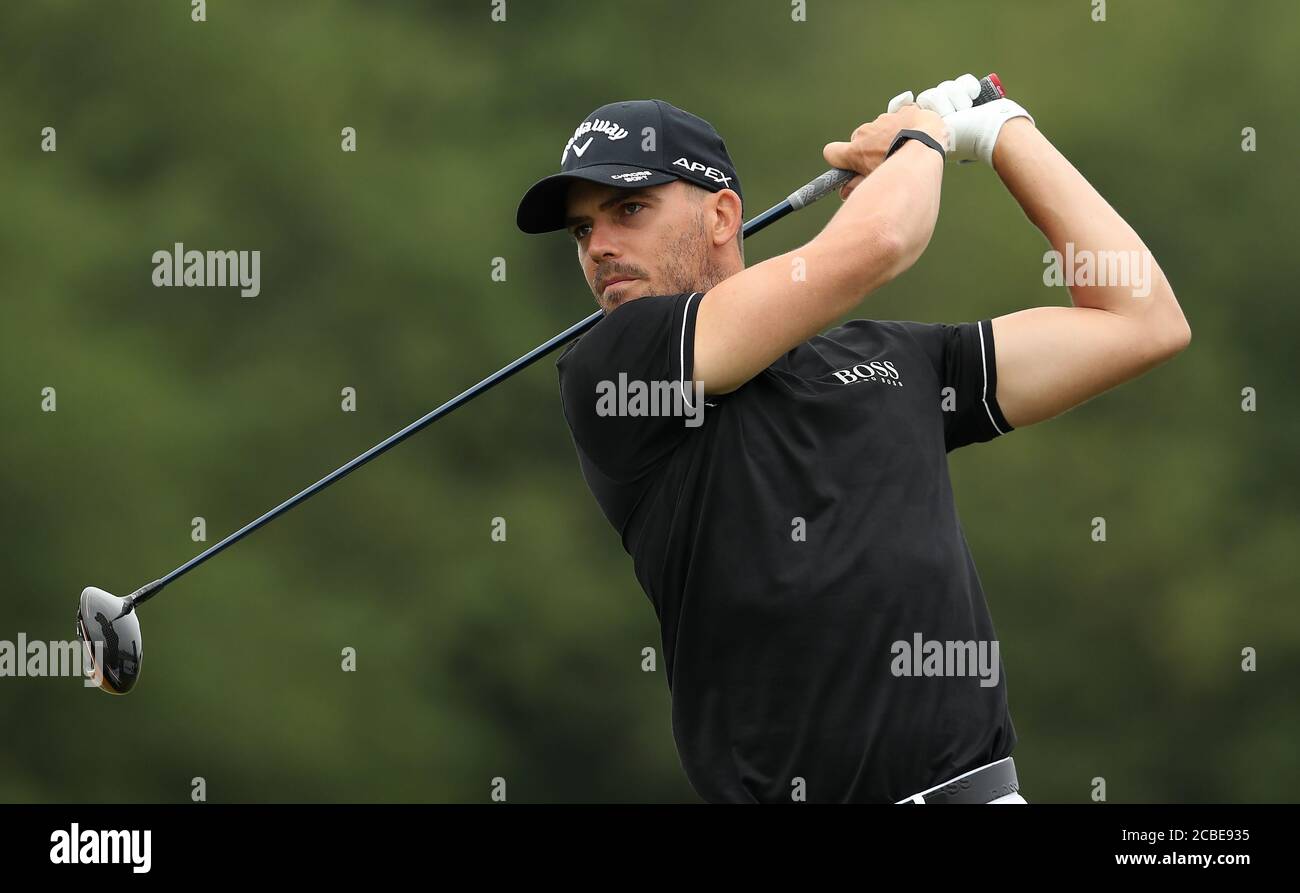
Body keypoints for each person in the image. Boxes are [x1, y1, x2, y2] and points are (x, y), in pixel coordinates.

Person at [515, 74, 1190, 804]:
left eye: (629, 209)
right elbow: (882, 241)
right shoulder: (614, 371)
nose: (600, 247)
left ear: (722, 217)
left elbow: (1144, 322)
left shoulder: (896, 361)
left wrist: (1003, 133)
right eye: (584, 229)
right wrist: (921, 137)